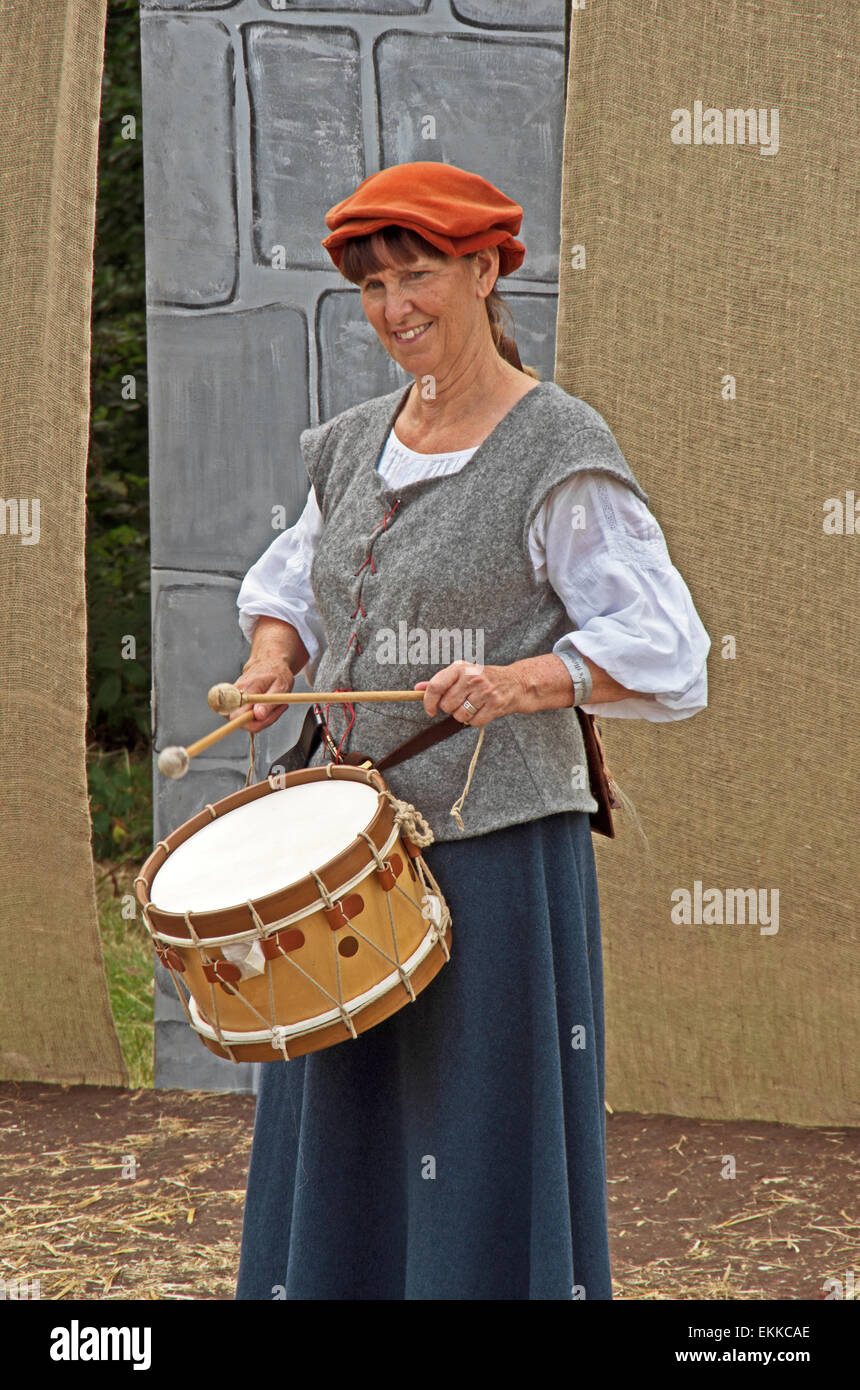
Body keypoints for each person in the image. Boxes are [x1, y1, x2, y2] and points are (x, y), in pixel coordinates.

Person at [231, 161, 709, 1301]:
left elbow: (665, 644)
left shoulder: (556, 443)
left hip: (490, 848)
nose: (395, 308)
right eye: (373, 284)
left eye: (418, 275)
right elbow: (292, 582)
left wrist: (525, 680)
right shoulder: (353, 440)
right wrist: (268, 660)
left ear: (486, 270)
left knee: (473, 1107)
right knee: (341, 1090)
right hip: (341, 851)